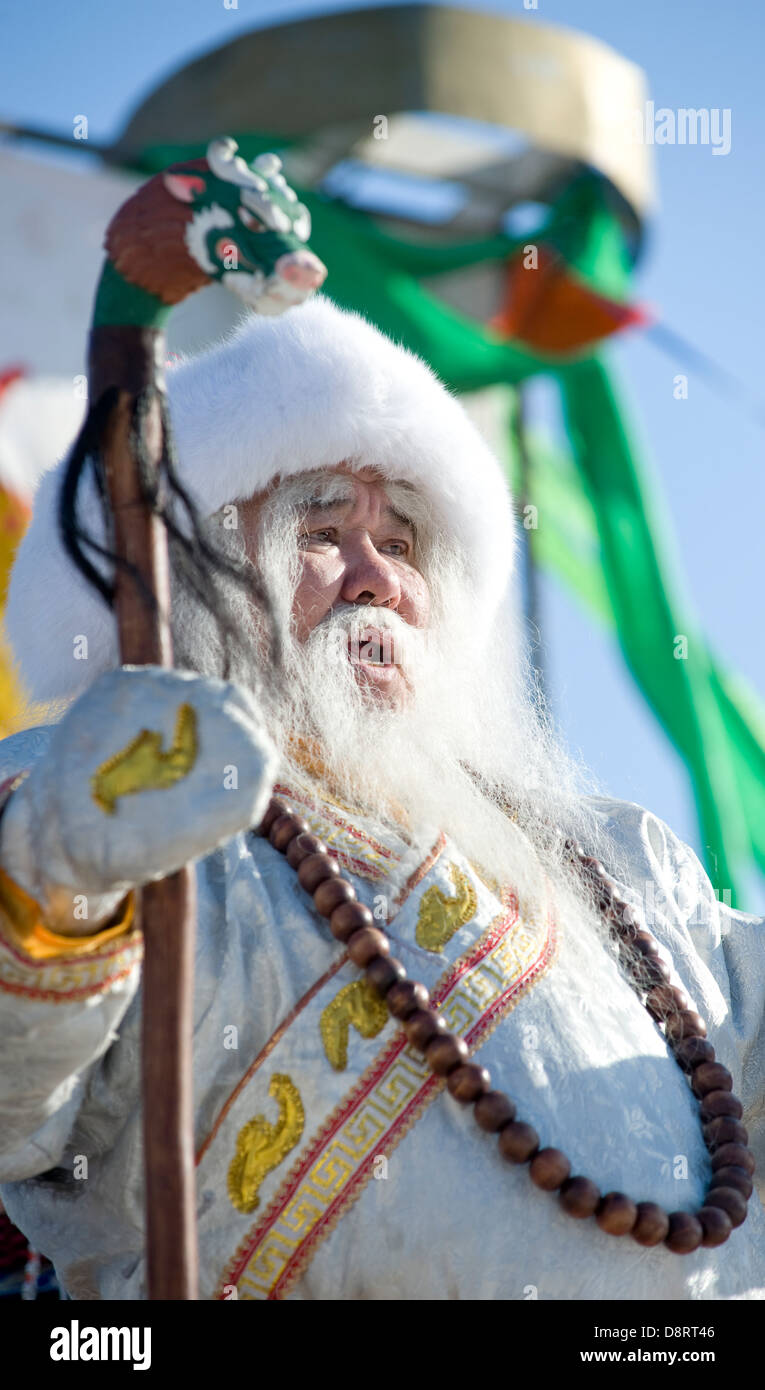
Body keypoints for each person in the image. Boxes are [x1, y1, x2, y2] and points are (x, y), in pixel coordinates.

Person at [0, 295, 762, 1301]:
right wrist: (63, 876)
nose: (375, 578)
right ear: (205, 580)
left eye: (401, 544)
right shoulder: (79, 803)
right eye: (324, 531)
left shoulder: (613, 859)